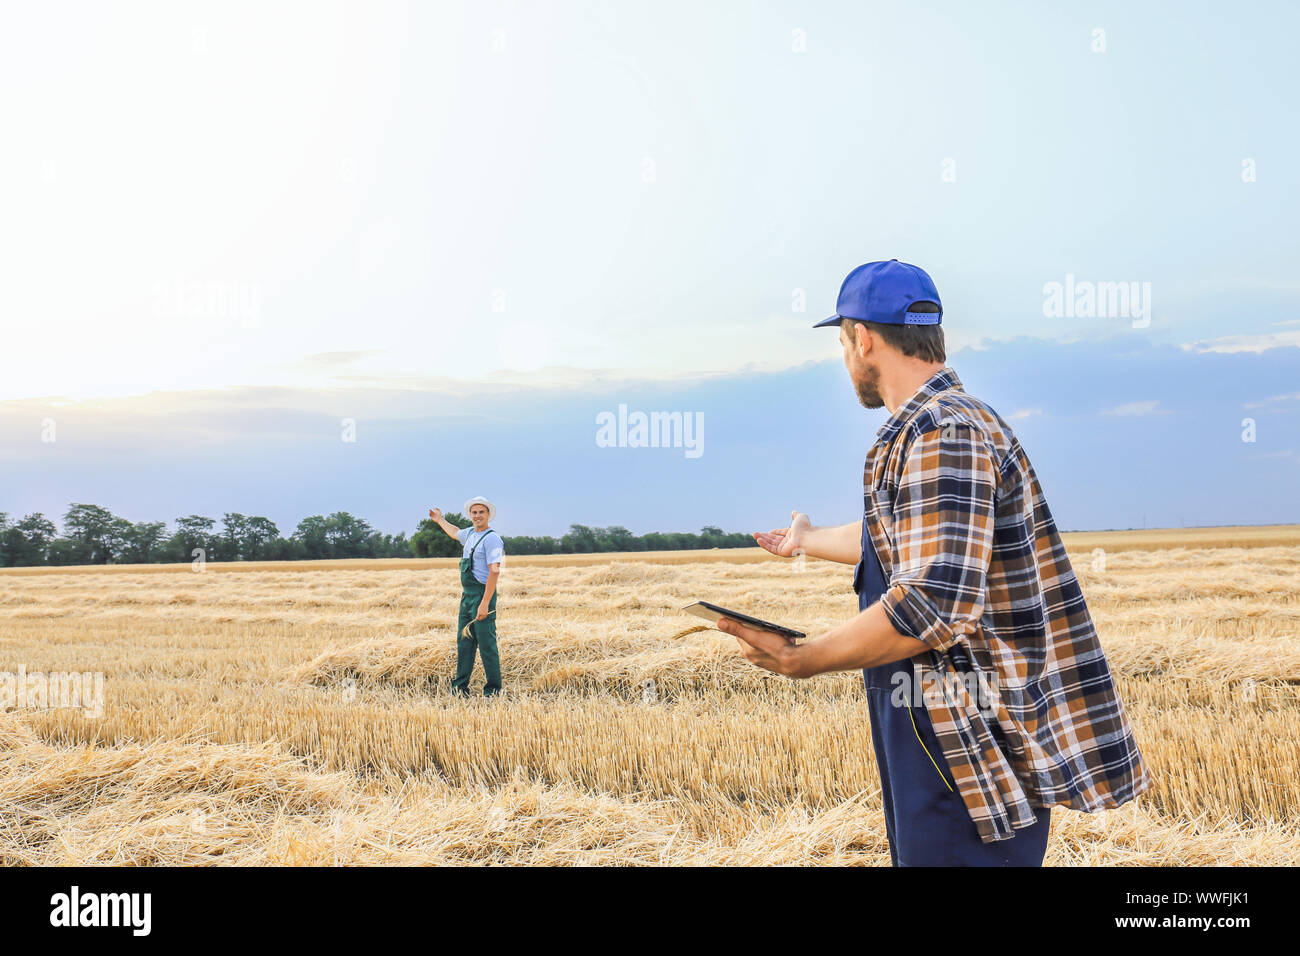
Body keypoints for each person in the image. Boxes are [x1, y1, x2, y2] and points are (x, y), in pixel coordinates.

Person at [720, 259, 1153, 866]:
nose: (846, 359)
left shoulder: (941, 434)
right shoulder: (945, 423)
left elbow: (933, 601)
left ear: (862, 337)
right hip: (935, 723)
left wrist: (803, 657)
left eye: (844, 342)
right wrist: (808, 539)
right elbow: (905, 541)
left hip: (960, 739)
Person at [428, 497, 505, 697]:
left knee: (487, 645)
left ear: (488, 515)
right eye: (474, 512)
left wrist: (485, 603)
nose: (477, 516)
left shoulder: (492, 539)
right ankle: (460, 689)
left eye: (481, 512)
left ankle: (493, 691)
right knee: (464, 642)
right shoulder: (470, 534)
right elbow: (454, 532)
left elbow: (495, 571)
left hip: (482, 595)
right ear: (470, 515)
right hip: (467, 597)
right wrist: (440, 520)